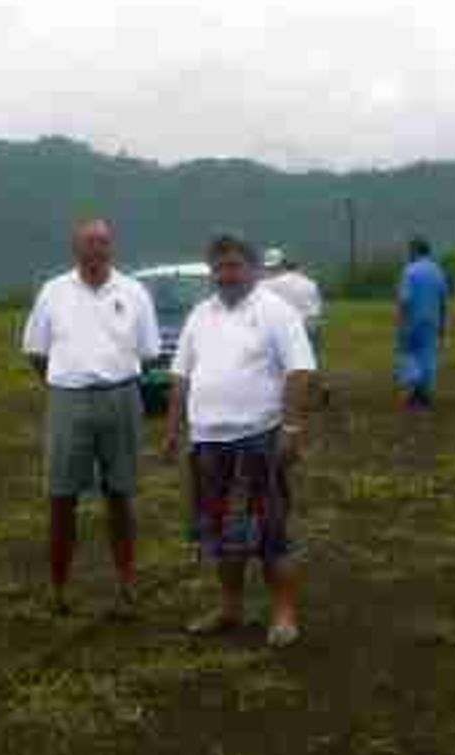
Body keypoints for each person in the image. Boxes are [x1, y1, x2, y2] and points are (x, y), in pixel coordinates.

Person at [164, 233, 316, 648]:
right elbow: (181, 375)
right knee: (220, 533)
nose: (226, 275)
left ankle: (284, 613)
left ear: (252, 269)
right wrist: (173, 430)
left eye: (234, 266)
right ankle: (230, 608)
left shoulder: (276, 311)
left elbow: (299, 370)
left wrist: (290, 429)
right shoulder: (200, 314)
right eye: (219, 268)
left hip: (259, 438)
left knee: (270, 532)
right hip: (208, 442)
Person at [22, 218, 161, 617]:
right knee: (61, 498)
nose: (95, 250)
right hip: (69, 397)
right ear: (75, 249)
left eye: (102, 242)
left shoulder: (134, 292)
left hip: (121, 397)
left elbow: (148, 350)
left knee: (120, 495)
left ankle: (126, 583)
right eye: (88, 243)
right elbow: (35, 350)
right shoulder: (53, 292)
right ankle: (59, 588)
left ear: (111, 248)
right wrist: (62, 383)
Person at [396, 236, 450, 411]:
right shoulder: (438, 271)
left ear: (415, 251)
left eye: (410, 250)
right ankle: (424, 395)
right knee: (428, 357)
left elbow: (405, 300)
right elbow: (443, 302)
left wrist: (401, 322)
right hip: (432, 321)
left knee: (409, 354)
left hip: (412, 320)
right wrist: (442, 326)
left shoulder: (409, 271)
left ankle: (415, 391)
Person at [261, 248, 325, 360]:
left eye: (270, 268)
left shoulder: (265, 285)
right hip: (310, 328)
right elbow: (317, 311)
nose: (268, 271)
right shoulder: (310, 283)